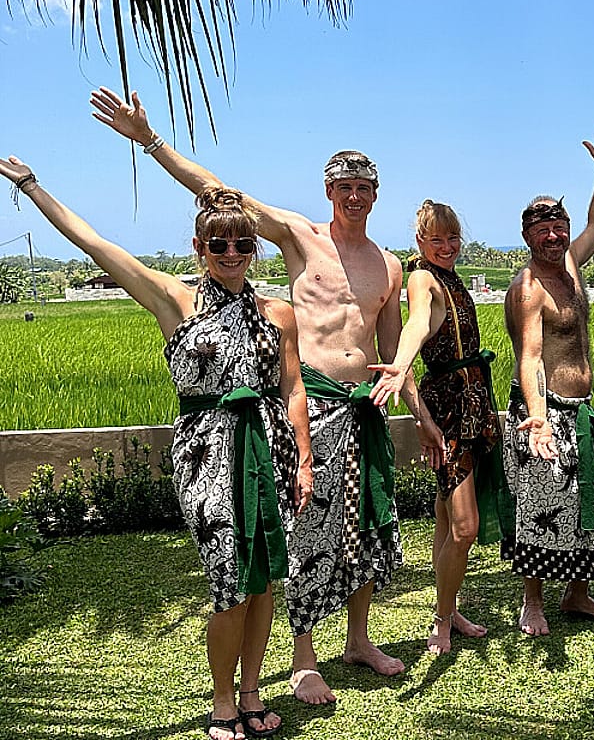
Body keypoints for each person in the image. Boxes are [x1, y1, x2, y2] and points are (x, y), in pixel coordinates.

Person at [91, 88, 434, 703]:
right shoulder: (300, 236)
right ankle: (304, 657)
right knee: (304, 533)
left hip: (363, 408)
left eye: (364, 187)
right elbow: (220, 192)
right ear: (329, 191)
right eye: (344, 186)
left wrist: (422, 417)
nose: (354, 196)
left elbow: (389, 354)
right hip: (311, 404)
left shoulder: (388, 264)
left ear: (376, 194)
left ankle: (358, 639)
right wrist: (150, 140)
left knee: (365, 522)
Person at [2, 156, 313, 740]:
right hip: (208, 455)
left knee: (264, 580)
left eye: (242, 244)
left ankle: (251, 692)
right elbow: (95, 243)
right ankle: (223, 698)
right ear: (199, 247)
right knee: (230, 582)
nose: (231, 254)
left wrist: (304, 461)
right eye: (219, 244)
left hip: (269, 448)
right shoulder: (176, 300)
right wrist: (31, 186)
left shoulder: (278, 313)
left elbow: (292, 389)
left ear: (255, 248)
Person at [503, 117, 594, 636]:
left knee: (588, 500)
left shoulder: (573, 265)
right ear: (527, 237)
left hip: (580, 409)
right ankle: (532, 601)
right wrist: (537, 418)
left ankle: (577, 594)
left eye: (559, 226)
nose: (554, 236)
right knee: (540, 505)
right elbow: (530, 356)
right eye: (543, 230)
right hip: (544, 408)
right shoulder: (529, 287)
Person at [368, 200, 502, 654]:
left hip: (473, 399)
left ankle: (450, 606)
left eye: (452, 238)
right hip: (448, 406)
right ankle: (442, 619)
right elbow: (419, 322)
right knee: (465, 527)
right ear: (420, 242)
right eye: (436, 240)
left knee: (447, 517)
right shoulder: (423, 278)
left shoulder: (452, 277)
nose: (446, 247)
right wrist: (401, 363)